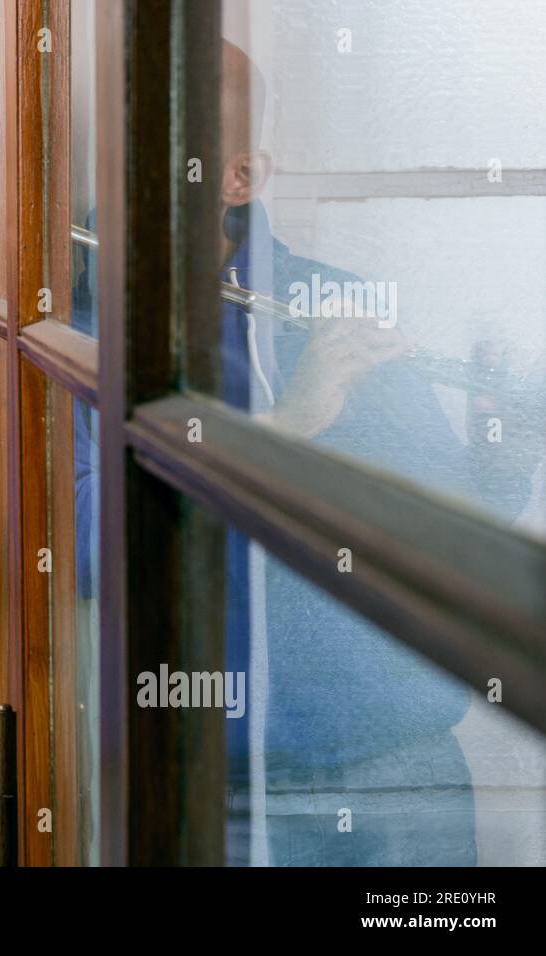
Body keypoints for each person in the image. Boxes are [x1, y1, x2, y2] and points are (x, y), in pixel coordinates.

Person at [71, 40, 538, 865]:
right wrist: (290, 424)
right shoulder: (78, 329)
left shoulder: (334, 307)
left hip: (404, 781)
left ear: (239, 179)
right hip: (207, 786)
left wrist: (505, 444)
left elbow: (447, 525)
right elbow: (85, 543)